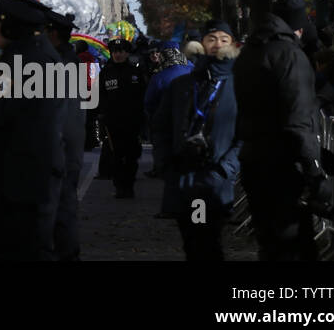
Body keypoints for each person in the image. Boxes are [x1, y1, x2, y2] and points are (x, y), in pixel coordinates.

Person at [0, 0, 66, 261]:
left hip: (14, 177)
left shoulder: (14, 64)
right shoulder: (45, 56)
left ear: (12, 27)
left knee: (13, 247)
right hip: (37, 172)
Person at [232, 0, 324, 261]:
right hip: (283, 162)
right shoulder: (290, 55)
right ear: (299, 26)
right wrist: (314, 169)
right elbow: (298, 118)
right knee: (292, 245)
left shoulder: (250, 52)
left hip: (254, 158)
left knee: (270, 243)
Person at [153, 23, 241, 260]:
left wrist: (227, 168)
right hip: (184, 176)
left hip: (215, 177)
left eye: (224, 39)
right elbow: (160, 127)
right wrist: (164, 164)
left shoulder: (240, 86)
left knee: (208, 242)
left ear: (232, 44)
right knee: (193, 242)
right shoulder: (181, 84)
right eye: (211, 38)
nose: (217, 44)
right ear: (201, 43)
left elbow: (247, 133)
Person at [45, 7, 83, 260]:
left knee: (58, 208)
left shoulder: (57, 66)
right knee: (64, 206)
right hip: (69, 146)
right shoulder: (68, 62)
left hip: (59, 147)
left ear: (54, 35)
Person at [99, 37, 147, 198]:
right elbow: (101, 96)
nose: (117, 55)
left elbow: (142, 95)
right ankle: (120, 186)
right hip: (113, 121)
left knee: (132, 154)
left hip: (132, 120)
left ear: (127, 53)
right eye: (114, 52)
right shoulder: (106, 72)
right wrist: (102, 116)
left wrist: (141, 117)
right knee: (117, 155)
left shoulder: (135, 72)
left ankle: (129, 184)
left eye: (121, 52)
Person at [144, 45, 191, 179]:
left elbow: (149, 101)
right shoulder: (192, 70)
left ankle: (162, 169)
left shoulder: (160, 76)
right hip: (191, 119)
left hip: (166, 119)